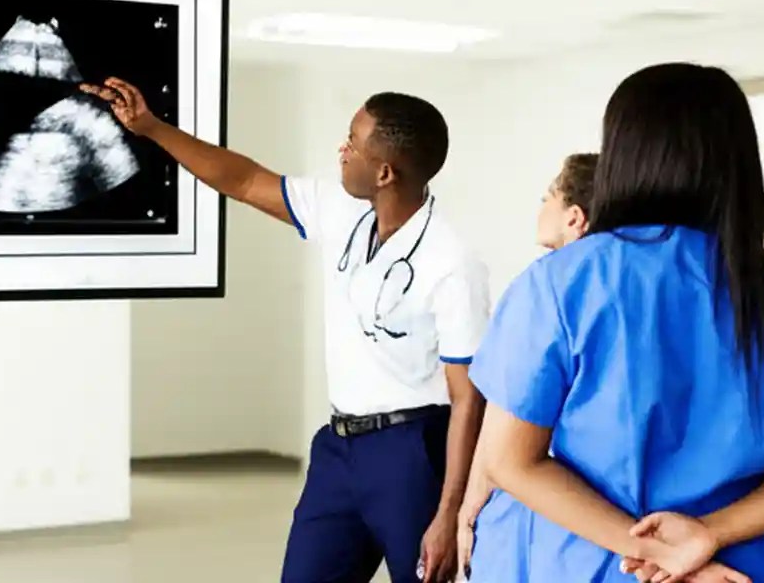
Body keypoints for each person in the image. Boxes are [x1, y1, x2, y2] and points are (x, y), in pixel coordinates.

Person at [80, 77, 491, 582]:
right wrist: (152, 129)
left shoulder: (452, 263)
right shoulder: (342, 210)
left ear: (384, 172)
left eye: (352, 141)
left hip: (412, 455)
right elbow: (245, 181)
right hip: (338, 449)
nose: (341, 150)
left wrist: (452, 512)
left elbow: (469, 399)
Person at [465, 63, 764, 582]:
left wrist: (659, 555)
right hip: (739, 566)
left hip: (591, 560)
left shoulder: (560, 284)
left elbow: (511, 460)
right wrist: (708, 536)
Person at [456, 151, 598, 577]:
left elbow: (503, 420)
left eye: (546, 197)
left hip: (534, 509)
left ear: (574, 217)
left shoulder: (543, 290)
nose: (539, 207)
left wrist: (466, 512)